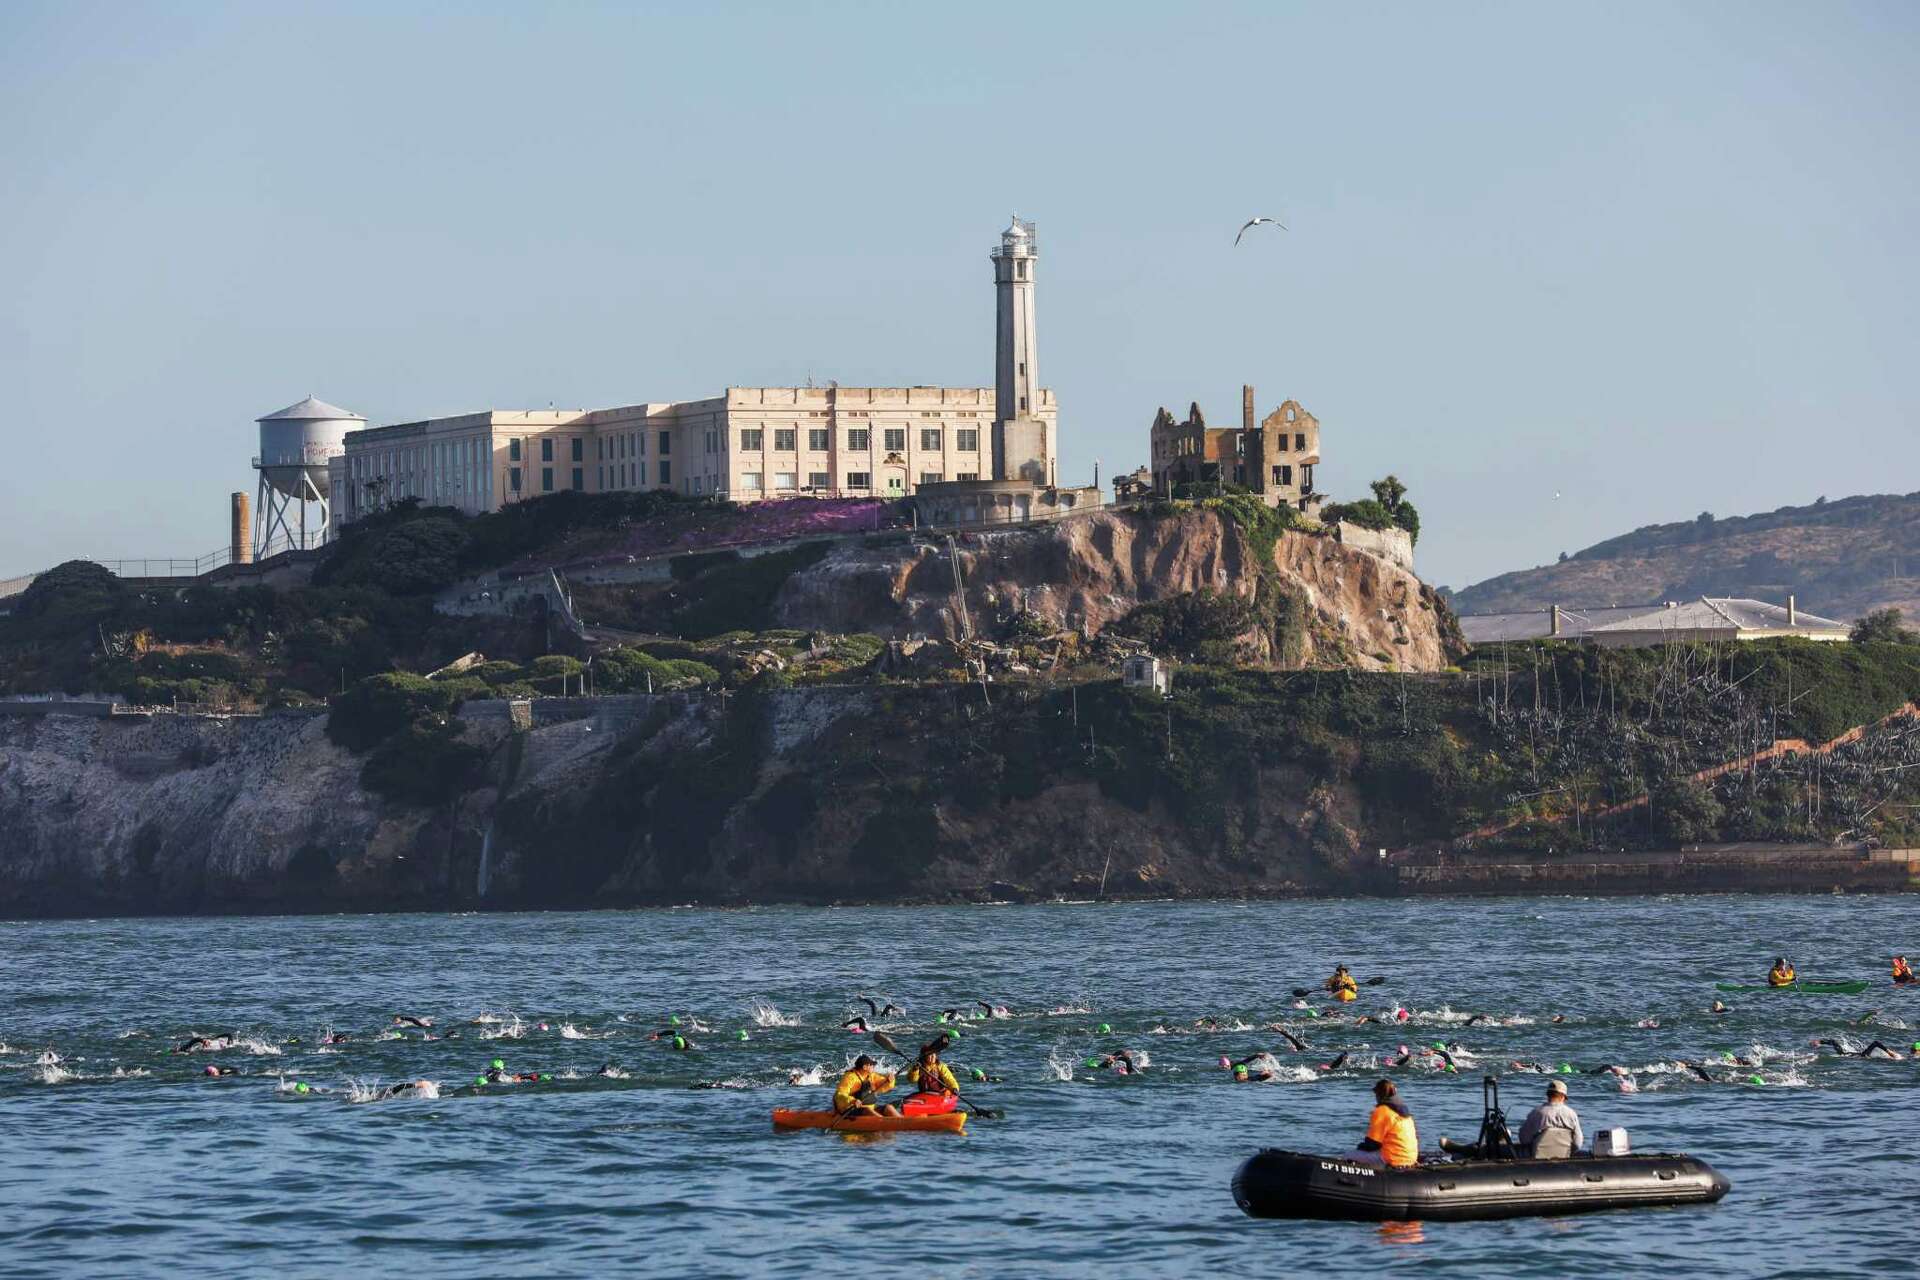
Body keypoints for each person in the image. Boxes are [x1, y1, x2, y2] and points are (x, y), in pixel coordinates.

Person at [1354, 1079, 1418, 1167]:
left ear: (1379, 1095)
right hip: (1411, 1158)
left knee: (1349, 1155)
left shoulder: (1381, 1111)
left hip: (1393, 1159)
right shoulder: (1404, 1112)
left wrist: (1360, 1147)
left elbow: (1372, 1144)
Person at [1515, 1079, 1583, 1156]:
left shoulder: (1536, 1113)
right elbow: (1578, 1143)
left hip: (1537, 1157)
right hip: (1564, 1156)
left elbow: (1524, 1139)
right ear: (1563, 1097)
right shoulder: (1571, 1114)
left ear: (1548, 1095)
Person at [833, 1054, 899, 1117]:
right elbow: (839, 1095)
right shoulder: (850, 1077)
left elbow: (883, 1085)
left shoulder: (871, 1075)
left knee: (888, 1107)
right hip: (851, 1110)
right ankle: (884, 1122)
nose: (873, 1066)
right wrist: (852, 1101)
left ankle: (901, 1121)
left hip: (869, 1109)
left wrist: (889, 1081)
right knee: (867, 1110)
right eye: (871, 1065)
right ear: (865, 1067)